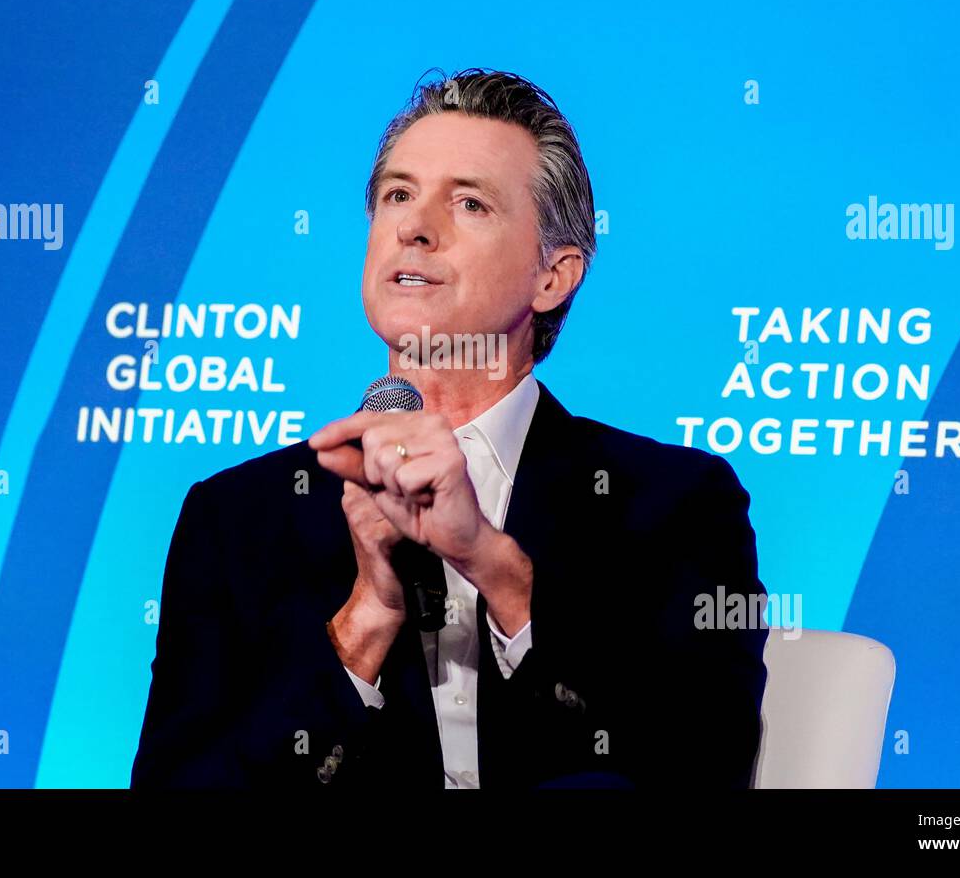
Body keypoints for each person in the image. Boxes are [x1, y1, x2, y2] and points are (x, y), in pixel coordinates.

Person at [130, 68, 769, 789]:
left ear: (552, 276)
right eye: (398, 195)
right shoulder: (237, 518)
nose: (415, 226)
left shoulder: (673, 505)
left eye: (469, 203)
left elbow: (697, 767)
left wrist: (494, 566)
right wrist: (367, 618)